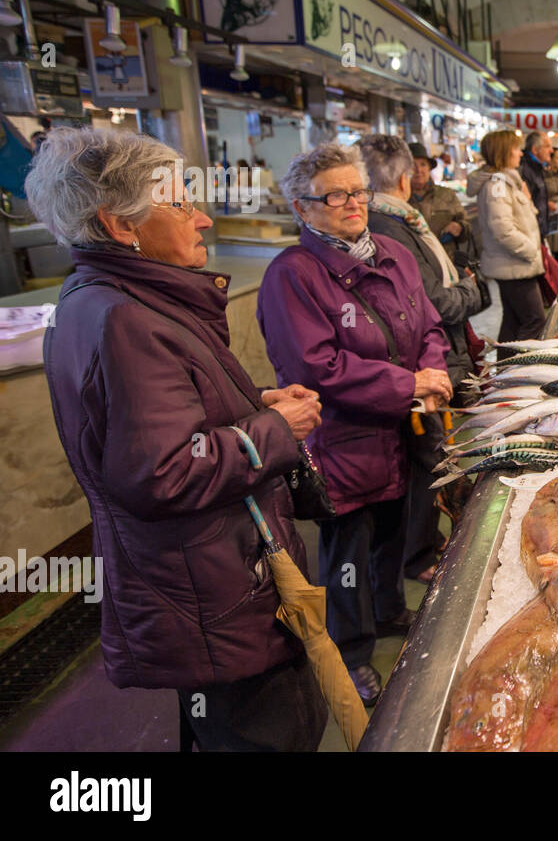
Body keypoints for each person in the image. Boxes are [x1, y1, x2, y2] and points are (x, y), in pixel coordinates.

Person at [32, 128, 328, 750]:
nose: (200, 218)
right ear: (119, 225)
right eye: (178, 203)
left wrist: (253, 406)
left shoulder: (117, 298)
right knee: (272, 732)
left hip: (198, 587)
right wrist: (275, 431)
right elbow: (161, 469)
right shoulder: (125, 318)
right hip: (212, 596)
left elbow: (162, 422)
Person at [257, 142, 452, 707]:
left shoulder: (393, 251)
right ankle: (351, 653)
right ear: (302, 208)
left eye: (357, 191)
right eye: (334, 195)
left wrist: (432, 369)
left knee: (394, 530)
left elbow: (430, 324)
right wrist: (408, 384)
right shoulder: (292, 275)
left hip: (403, 430)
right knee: (347, 552)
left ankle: (390, 611)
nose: (351, 204)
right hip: (342, 440)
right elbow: (315, 367)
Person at [359, 134, 484, 581]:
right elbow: (434, 304)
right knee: (426, 457)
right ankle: (419, 558)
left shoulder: (398, 221)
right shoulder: (389, 228)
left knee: (428, 454)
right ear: (404, 176)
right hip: (414, 373)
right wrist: (471, 289)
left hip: (423, 363)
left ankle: (421, 549)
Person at [467, 130, 545, 347]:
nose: (520, 153)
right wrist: (530, 250)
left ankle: (504, 371)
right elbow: (502, 229)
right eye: (515, 148)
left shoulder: (507, 182)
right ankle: (519, 370)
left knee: (513, 320)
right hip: (515, 264)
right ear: (504, 152)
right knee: (534, 319)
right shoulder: (497, 186)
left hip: (514, 263)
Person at [408, 141, 471, 255]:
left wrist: (460, 227)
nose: (418, 170)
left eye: (423, 164)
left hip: (446, 260)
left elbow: (466, 226)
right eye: (413, 165)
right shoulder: (400, 200)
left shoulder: (446, 194)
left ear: (429, 168)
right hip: (413, 264)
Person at [518, 131, 556, 242]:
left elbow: (534, 196)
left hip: (539, 233)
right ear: (535, 150)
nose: (551, 150)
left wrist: (545, 203)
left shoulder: (537, 168)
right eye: (547, 146)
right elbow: (525, 206)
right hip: (531, 236)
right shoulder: (525, 170)